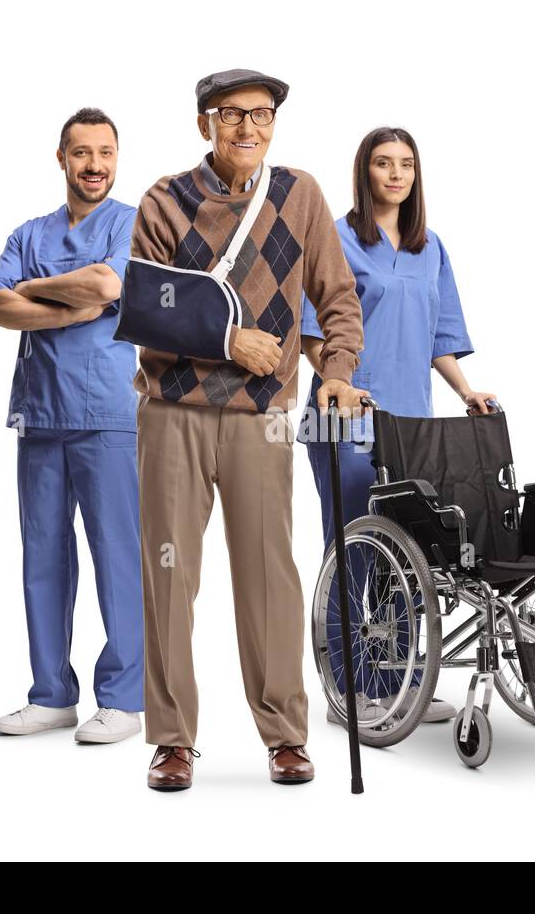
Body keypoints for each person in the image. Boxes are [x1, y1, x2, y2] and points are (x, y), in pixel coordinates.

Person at [126, 69, 366, 791]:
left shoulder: (299, 196)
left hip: (261, 418)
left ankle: (284, 734)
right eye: (232, 115)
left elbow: (339, 297)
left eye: (261, 115)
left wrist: (336, 371)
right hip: (174, 415)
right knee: (169, 576)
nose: (248, 129)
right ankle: (171, 739)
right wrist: (231, 340)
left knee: (270, 577)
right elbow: (147, 310)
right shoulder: (164, 200)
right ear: (205, 124)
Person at [300, 126, 496, 726]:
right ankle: (350, 688)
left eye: (405, 164)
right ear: (365, 172)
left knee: (405, 555)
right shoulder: (334, 240)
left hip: (409, 424)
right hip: (344, 417)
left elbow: (441, 337)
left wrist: (466, 392)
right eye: (383, 163)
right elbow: (312, 333)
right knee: (354, 549)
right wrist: (338, 380)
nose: (395, 174)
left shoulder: (429, 247)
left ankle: (398, 681)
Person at [0, 108, 144, 744]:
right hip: (40, 414)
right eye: (82, 153)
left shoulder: (131, 224)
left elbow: (108, 283)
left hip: (107, 412)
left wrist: (37, 295)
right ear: (61, 159)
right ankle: (51, 695)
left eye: (105, 153)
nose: (94, 165)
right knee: (43, 555)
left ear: (116, 158)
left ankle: (124, 698)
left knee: (117, 555)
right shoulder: (29, 231)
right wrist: (71, 305)